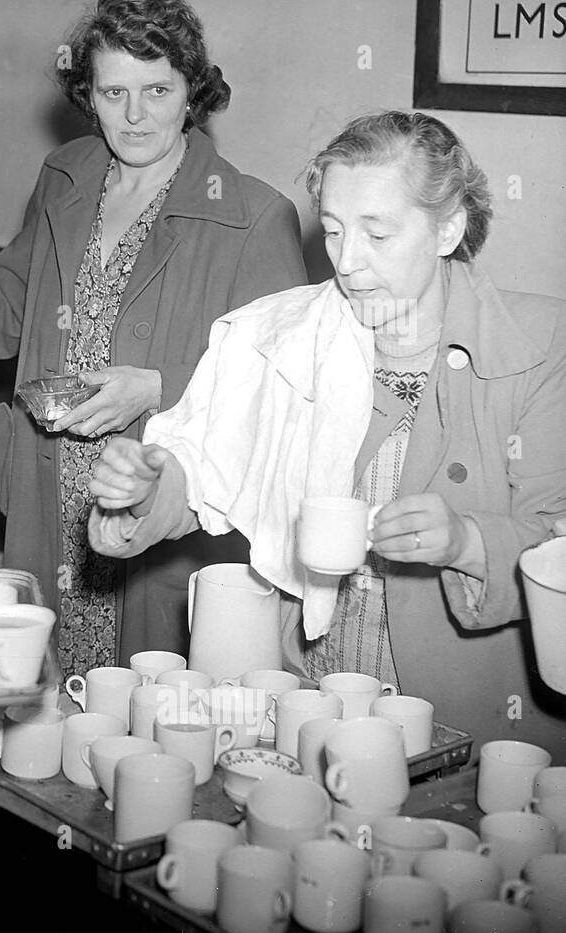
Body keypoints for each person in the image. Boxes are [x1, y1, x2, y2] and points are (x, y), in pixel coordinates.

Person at [0, 0, 305, 678]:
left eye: (157, 89)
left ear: (193, 89)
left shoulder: (255, 217)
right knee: (48, 710)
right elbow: (11, 305)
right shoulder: (66, 178)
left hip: (158, 516)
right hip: (51, 501)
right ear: (87, 92)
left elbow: (281, 398)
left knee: (146, 724)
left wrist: (159, 387)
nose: (134, 115)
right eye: (113, 92)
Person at [89, 111, 566, 758]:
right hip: (314, 691)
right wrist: (148, 486)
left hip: (468, 724)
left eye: (377, 234)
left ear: (447, 228)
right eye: (335, 230)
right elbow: (213, 474)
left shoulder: (542, 346)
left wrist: (466, 540)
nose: (346, 262)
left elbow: (558, 542)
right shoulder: (293, 336)